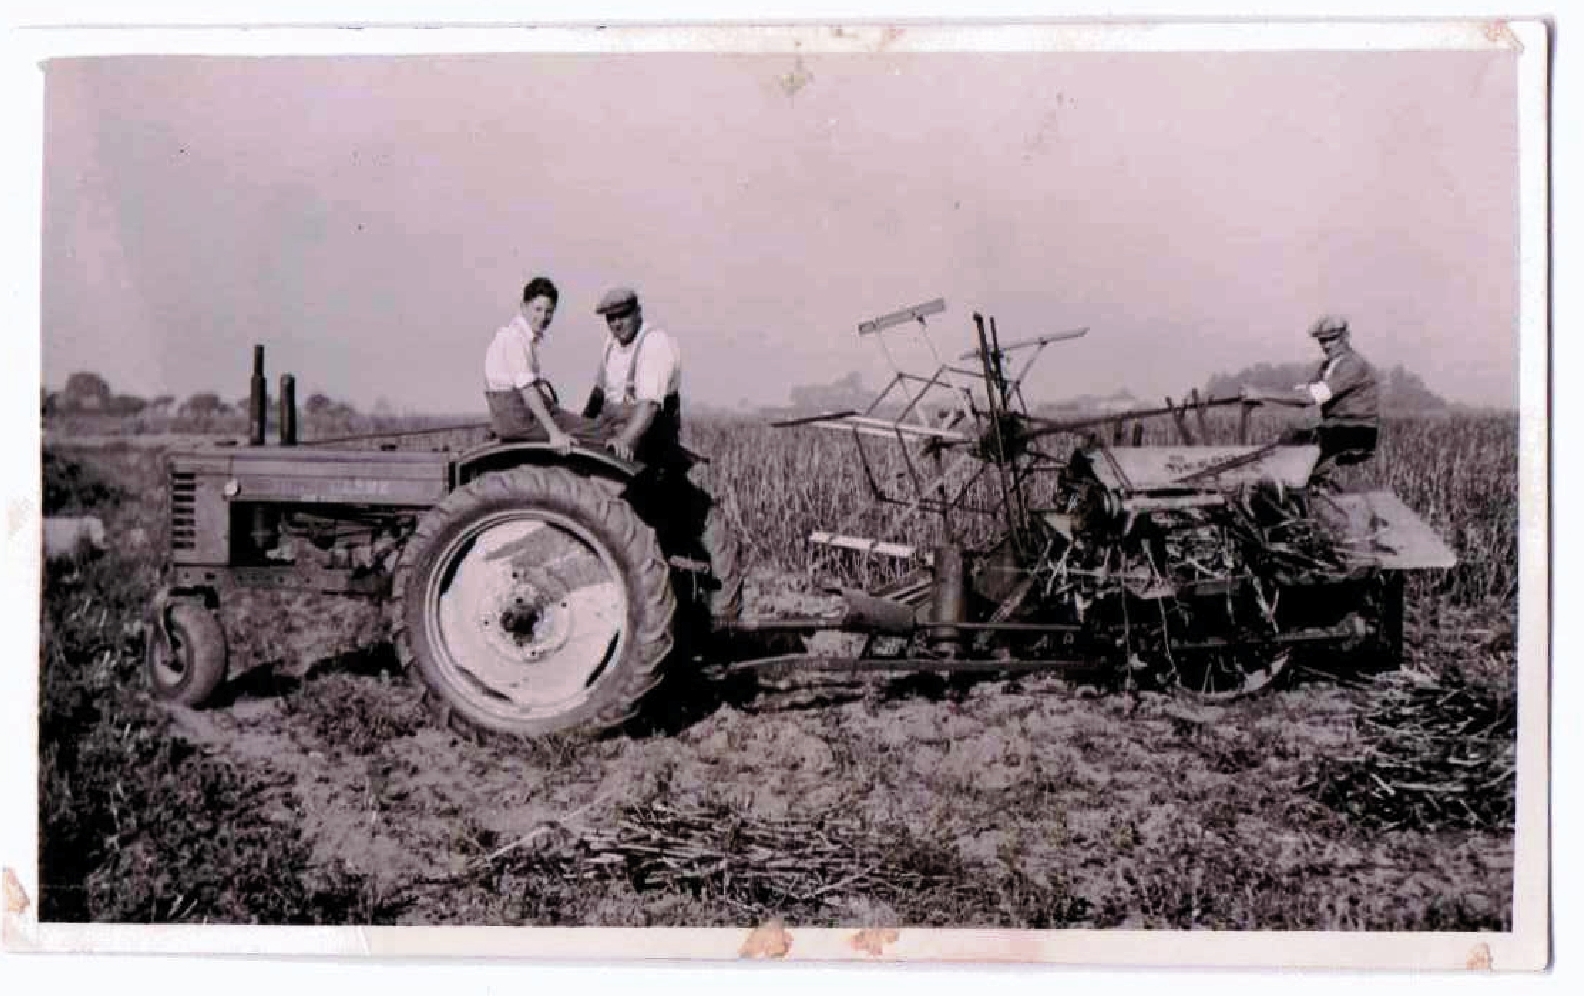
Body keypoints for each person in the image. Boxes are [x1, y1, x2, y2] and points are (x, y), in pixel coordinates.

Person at [1246, 314, 1381, 491]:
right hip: (1336, 428)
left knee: (1291, 464)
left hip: (1354, 431)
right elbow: (1304, 392)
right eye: (1322, 340)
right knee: (1285, 442)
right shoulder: (1329, 366)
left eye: (1332, 339)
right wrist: (1263, 395)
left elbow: (1310, 398)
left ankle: (1295, 494)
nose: (1326, 345)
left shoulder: (1353, 365)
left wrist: (1262, 394)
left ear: (1345, 337)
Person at [582, 286, 684, 466]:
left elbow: (650, 406)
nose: (617, 324)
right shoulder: (611, 342)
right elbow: (598, 392)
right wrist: (583, 424)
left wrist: (625, 440)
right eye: (611, 318)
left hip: (646, 430)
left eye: (623, 315)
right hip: (610, 423)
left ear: (638, 312)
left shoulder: (654, 342)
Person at [483, 276, 577, 453]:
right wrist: (554, 434)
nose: (543, 317)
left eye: (549, 311)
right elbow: (527, 389)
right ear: (523, 306)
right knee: (594, 433)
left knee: (584, 425)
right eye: (538, 309)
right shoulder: (515, 338)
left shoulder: (518, 336)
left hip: (514, 417)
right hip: (519, 419)